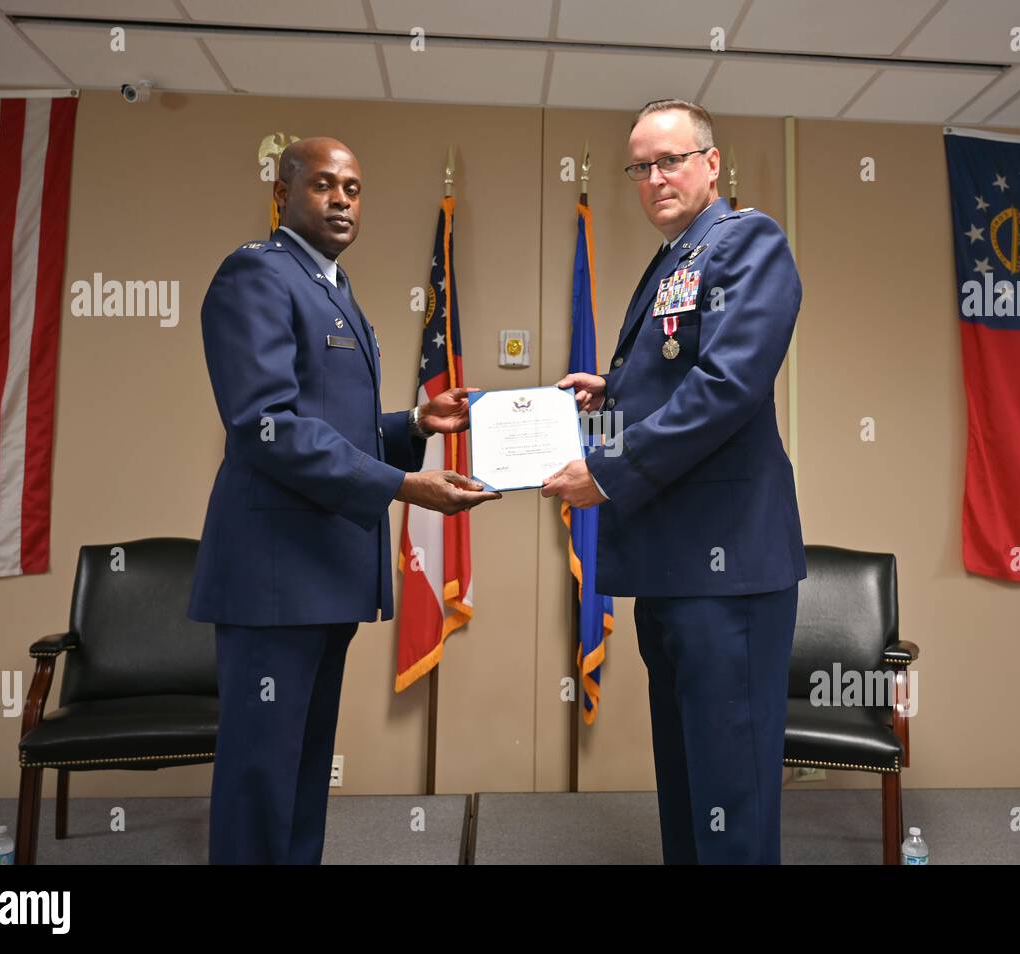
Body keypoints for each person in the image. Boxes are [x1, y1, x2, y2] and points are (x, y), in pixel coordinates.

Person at [188, 137, 498, 864]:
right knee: (261, 779)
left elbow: (336, 428)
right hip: (273, 580)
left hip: (323, 575)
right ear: (281, 195)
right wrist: (401, 486)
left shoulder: (333, 286)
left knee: (300, 774)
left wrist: (417, 423)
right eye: (323, 184)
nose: (340, 200)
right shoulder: (256, 276)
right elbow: (268, 428)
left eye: (353, 188)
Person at [542, 100, 806, 864]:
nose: (654, 178)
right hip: (673, 570)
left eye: (672, 160)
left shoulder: (747, 242)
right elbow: (673, 384)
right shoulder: (675, 258)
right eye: (641, 166)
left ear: (712, 163)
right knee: (690, 792)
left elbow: (725, 387)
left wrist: (607, 468)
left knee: (731, 797)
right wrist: (609, 403)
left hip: (727, 576)